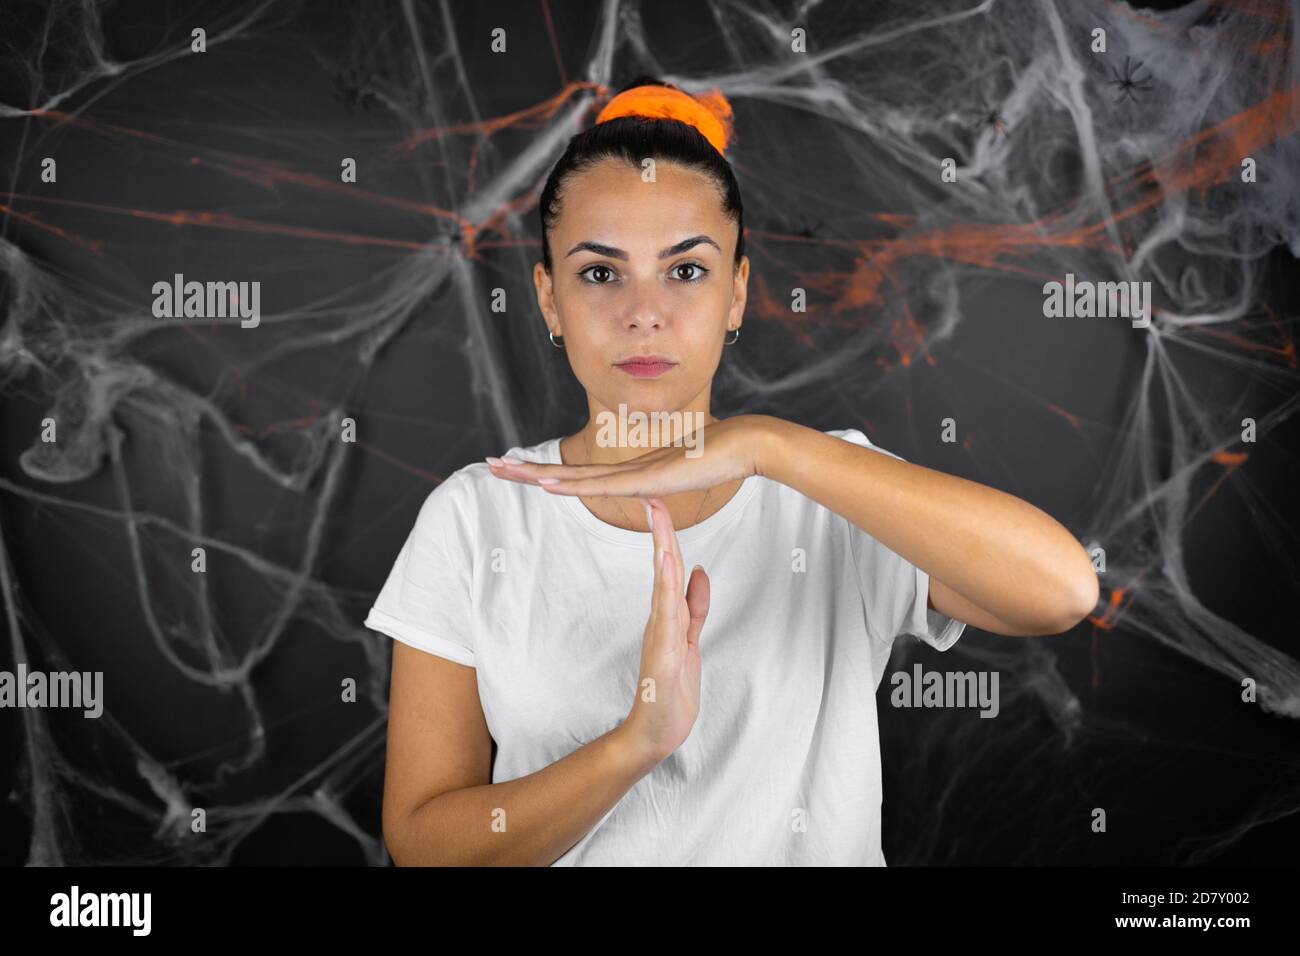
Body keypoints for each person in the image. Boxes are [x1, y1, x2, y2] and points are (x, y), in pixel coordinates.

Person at [367, 76, 1099, 866]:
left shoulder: (826, 493)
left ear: (739, 292)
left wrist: (767, 447)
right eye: (600, 273)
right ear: (547, 300)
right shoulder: (478, 518)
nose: (644, 311)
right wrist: (635, 744)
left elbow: (1061, 592)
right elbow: (424, 847)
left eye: (685, 271)